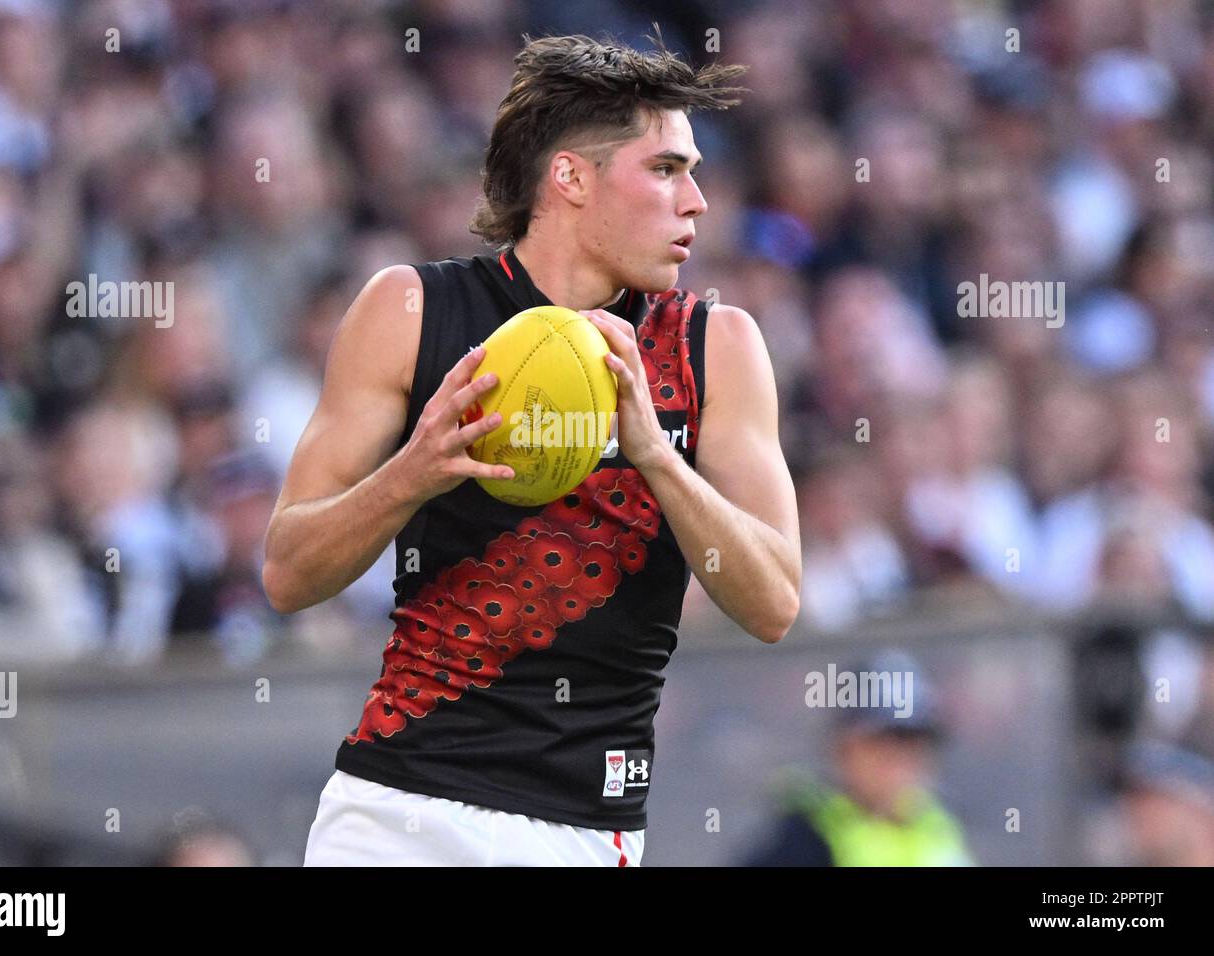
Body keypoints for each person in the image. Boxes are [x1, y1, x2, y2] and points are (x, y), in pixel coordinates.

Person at [264, 33, 802, 867]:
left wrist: (657, 457)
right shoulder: (409, 310)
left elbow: (772, 604)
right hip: (399, 811)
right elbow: (288, 573)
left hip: (588, 830)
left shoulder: (716, 346)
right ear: (571, 178)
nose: (696, 200)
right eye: (665, 169)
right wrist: (413, 472)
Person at [744, 651, 973, 866]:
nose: (900, 759)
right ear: (844, 747)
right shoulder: (804, 840)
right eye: (884, 741)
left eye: (913, 740)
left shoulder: (939, 825)